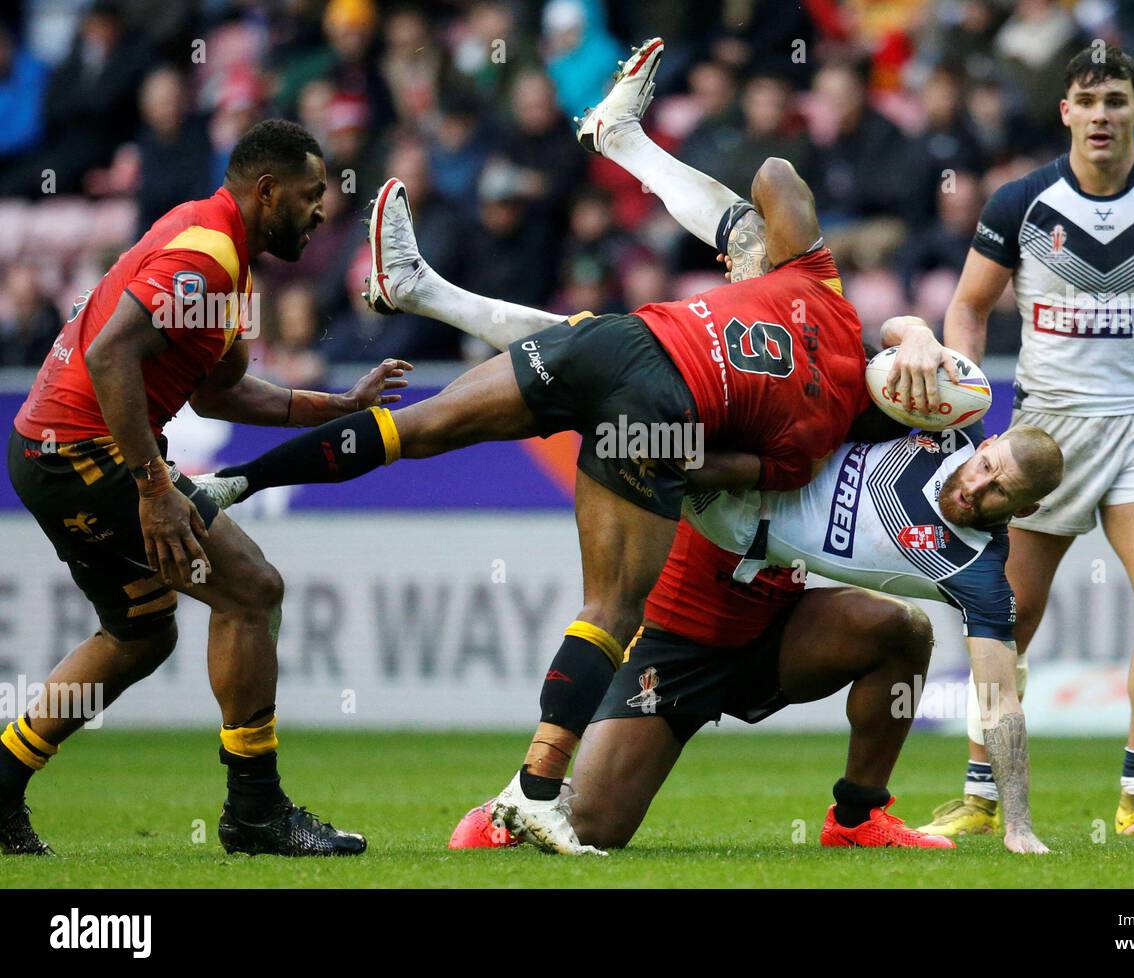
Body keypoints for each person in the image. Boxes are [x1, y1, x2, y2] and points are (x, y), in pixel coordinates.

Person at [195, 39, 951, 855]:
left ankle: (857, 816)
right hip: (683, 626)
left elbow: (774, 177)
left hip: (755, 587)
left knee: (900, 632)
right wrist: (654, 441)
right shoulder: (812, 430)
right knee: (601, 805)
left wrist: (896, 332)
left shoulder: (815, 299)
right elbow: (704, 460)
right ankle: (522, 799)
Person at [2, 119, 409, 856]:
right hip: (83, 454)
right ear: (267, 190)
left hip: (50, 451)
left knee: (141, 633)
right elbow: (110, 353)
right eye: (312, 195)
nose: (323, 210)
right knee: (250, 588)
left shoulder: (220, 254)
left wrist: (339, 405)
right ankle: (255, 810)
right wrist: (154, 487)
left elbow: (222, 394)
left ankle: (0, 780)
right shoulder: (208, 255)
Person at [439, 402, 1063, 854]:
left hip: (774, 622)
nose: (976, 485)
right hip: (679, 639)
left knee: (902, 630)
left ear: (1023, 509)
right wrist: (918, 334)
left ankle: (856, 817)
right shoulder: (928, 420)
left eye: (997, 490)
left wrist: (1019, 824)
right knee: (599, 827)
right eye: (986, 465)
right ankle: (510, 809)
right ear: (988, 443)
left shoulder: (979, 565)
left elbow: (998, 697)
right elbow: (896, 349)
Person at [932, 46, 1134, 839]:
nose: (1101, 114)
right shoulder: (1020, 203)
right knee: (1010, 617)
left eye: (1116, 100)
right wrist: (970, 417)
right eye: (1087, 100)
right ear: (1065, 112)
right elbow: (967, 307)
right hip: (1046, 433)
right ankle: (978, 795)